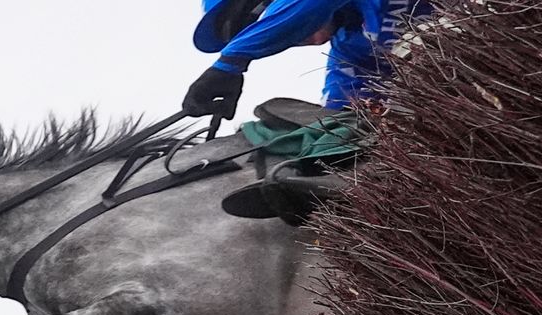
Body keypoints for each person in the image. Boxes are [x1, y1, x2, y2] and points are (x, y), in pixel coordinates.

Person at [183, 0, 432, 220]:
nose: (298, 39)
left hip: (465, 22)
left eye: (272, 19)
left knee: (423, 44)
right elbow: (341, 116)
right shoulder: (351, 47)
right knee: (336, 124)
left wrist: (230, 62)